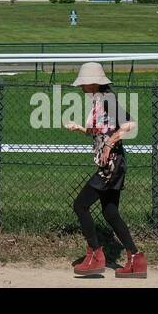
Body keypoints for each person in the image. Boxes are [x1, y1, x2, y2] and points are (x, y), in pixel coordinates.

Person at [64, 62, 148, 278]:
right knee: (110, 213)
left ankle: (95, 255)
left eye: (83, 83)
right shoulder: (98, 102)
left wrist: (110, 144)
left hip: (111, 165)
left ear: (93, 83)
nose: (81, 87)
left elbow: (130, 124)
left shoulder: (108, 100)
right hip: (112, 164)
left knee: (80, 205)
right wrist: (80, 129)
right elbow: (100, 131)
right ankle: (136, 260)